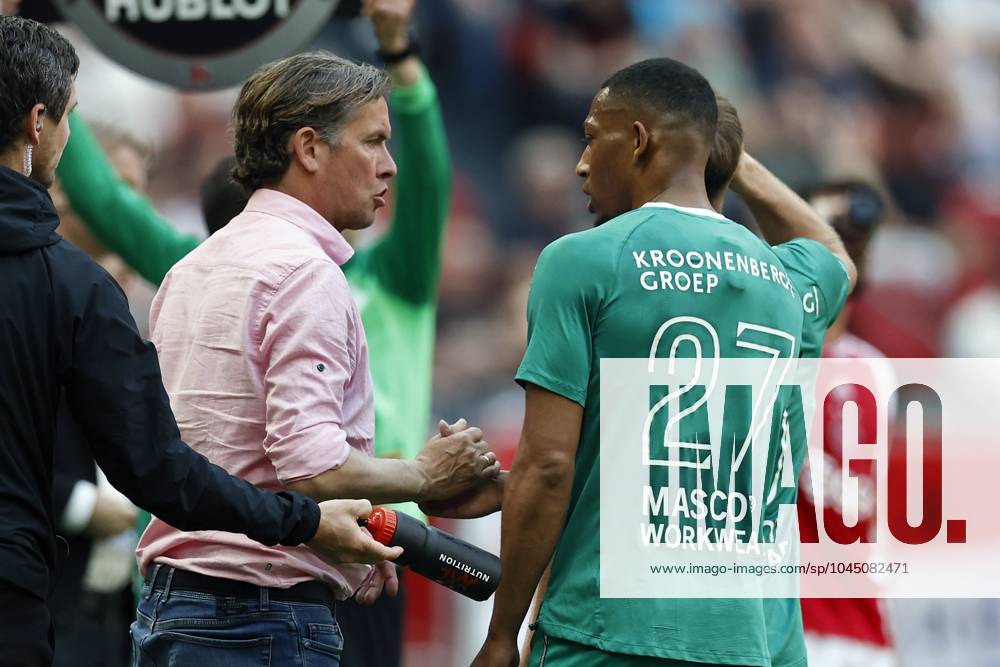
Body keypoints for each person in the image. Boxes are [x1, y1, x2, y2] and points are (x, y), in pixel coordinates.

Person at [0, 15, 402, 666]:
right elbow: (158, 467)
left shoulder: (170, 271)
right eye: (71, 119)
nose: (387, 166)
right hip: (46, 596)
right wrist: (310, 519)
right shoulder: (71, 283)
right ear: (38, 124)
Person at [131, 50, 496, 665]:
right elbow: (312, 466)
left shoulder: (192, 267)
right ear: (309, 148)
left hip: (174, 609)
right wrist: (426, 475)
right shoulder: (305, 273)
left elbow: (233, 459)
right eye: (374, 142)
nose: (390, 166)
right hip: (261, 617)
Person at [470, 58, 806, 667]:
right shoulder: (781, 283)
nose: (580, 162)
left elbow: (548, 466)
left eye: (593, 137)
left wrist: (499, 635)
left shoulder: (583, 260)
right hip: (740, 640)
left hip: (604, 633)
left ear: (639, 140)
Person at [705, 96, 858, 667]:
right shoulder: (782, 290)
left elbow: (559, 472)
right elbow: (834, 258)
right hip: (769, 627)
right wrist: (734, 157)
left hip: (659, 624)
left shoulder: (608, 271)